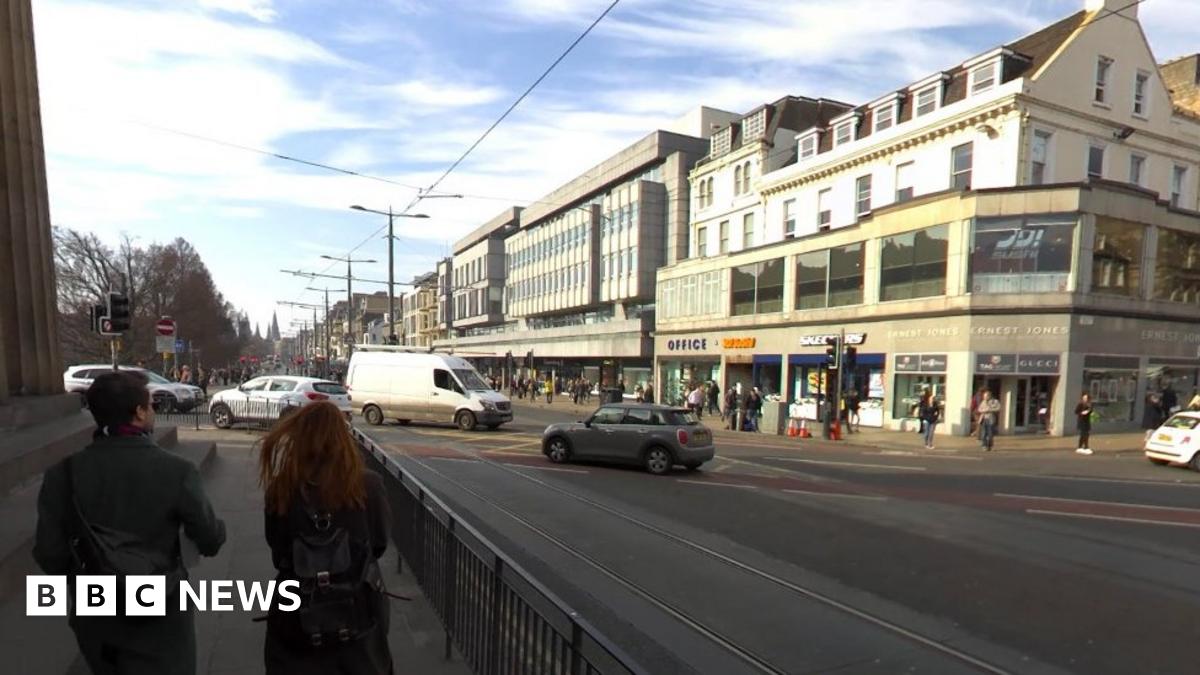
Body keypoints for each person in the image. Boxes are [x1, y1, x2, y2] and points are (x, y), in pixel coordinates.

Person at [33, 370, 227, 675]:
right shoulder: (177, 471)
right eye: (150, 405)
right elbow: (210, 540)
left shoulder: (63, 474)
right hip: (161, 612)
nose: (152, 411)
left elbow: (49, 554)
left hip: (95, 612)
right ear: (138, 413)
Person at [258, 402, 393, 674]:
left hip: (294, 614)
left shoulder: (280, 488)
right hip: (356, 613)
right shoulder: (368, 484)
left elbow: (278, 550)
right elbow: (378, 544)